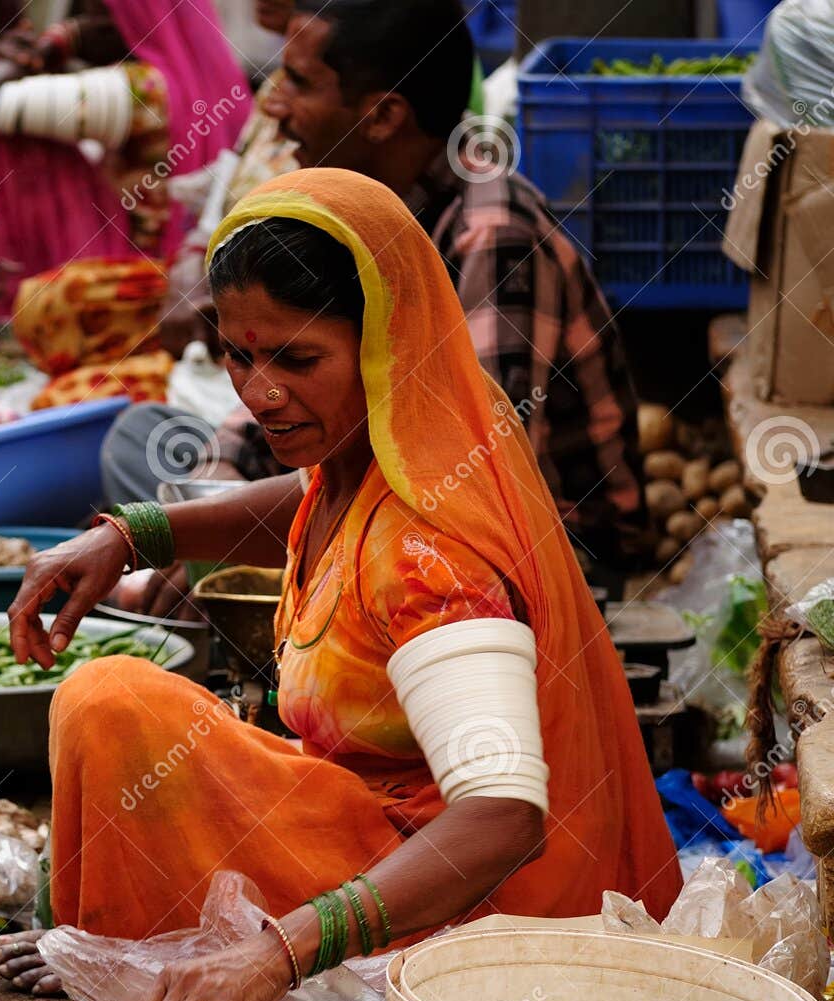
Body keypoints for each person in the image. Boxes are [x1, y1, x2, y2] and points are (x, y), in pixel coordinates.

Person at [0, 171, 681, 1001]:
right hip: (380, 829)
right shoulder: (387, 444)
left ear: (386, 346)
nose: (258, 392)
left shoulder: (436, 557)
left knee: (117, 706)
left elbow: (505, 815)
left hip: (469, 918)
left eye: (296, 360)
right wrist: (135, 536)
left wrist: (272, 955)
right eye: (238, 356)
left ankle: (156, 984)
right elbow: (315, 501)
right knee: (123, 712)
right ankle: (138, 962)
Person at [105, 0, 646, 593]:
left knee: (187, 520)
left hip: (522, 546)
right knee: (144, 438)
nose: (275, 106)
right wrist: (213, 507)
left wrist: (179, 533)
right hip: (364, 483)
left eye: (302, 83)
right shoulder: (347, 213)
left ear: (384, 116)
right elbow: (278, 377)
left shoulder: (491, 233)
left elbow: (459, 473)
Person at [0, 0, 250, 313]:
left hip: (140, 280)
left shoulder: (141, 88)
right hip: (180, 267)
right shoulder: (204, 75)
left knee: (14, 133)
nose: (84, 19)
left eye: (98, 12)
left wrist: (58, 41)